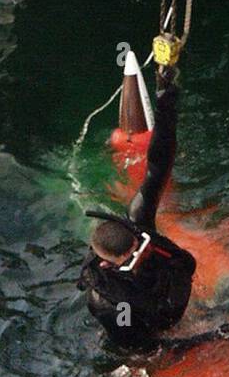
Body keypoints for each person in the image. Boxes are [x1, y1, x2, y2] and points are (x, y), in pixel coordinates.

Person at [78, 72, 196, 351]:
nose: (144, 254)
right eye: (133, 259)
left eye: (141, 245)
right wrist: (211, 338)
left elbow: (158, 165)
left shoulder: (138, 223)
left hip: (176, 296)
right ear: (110, 266)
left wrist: (166, 100)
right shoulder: (108, 305)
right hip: (154, 331)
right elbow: (147, 350)